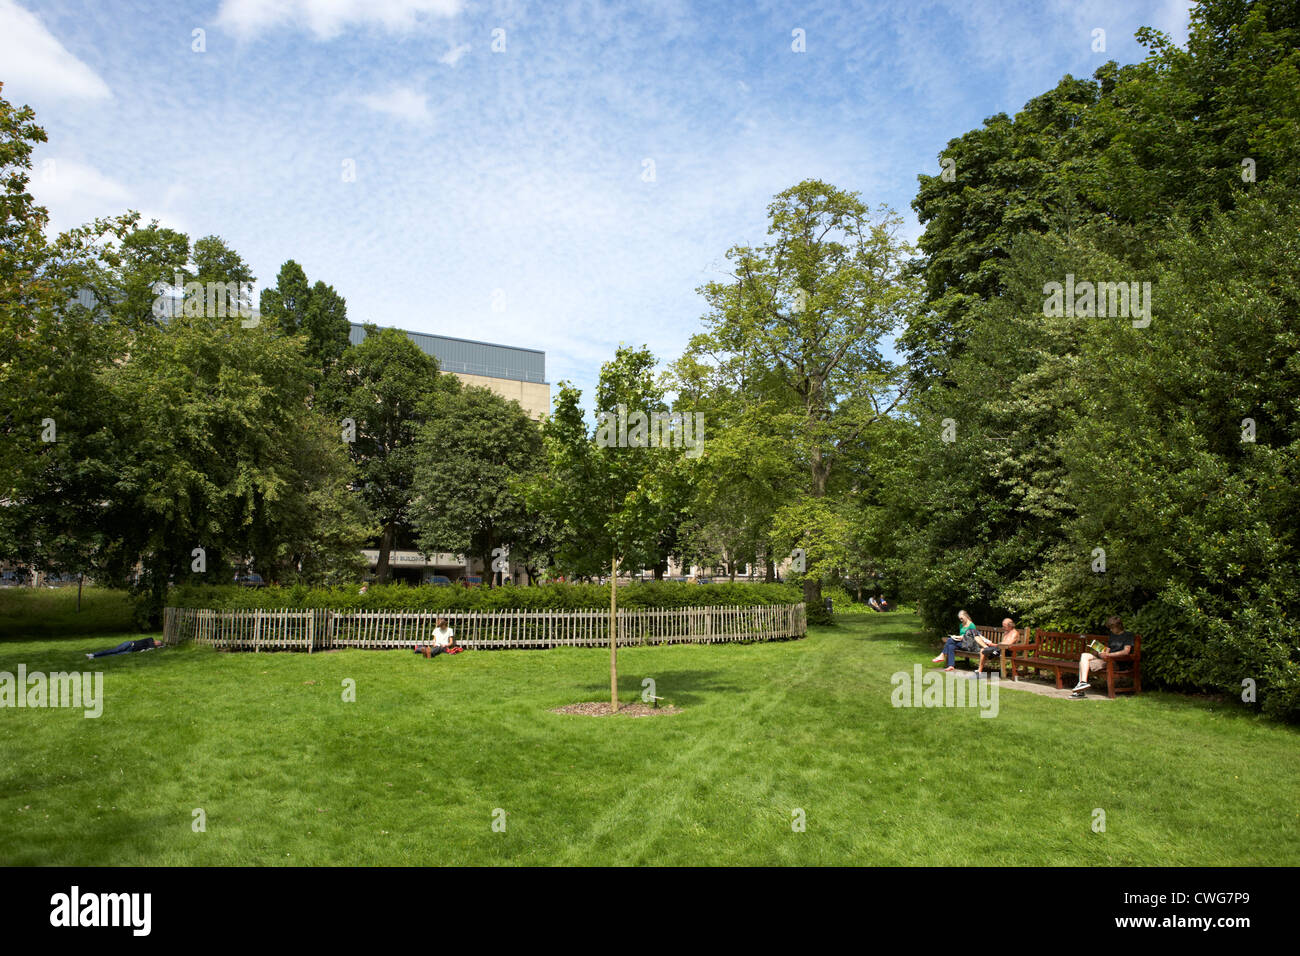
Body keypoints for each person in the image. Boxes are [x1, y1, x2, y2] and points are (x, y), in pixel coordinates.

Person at [1071, 615, 1134, 697]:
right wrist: (1100, 651)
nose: (1111, 630)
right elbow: (1108, 649)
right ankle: (1083, 683)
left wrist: (1109, 655)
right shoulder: (1112, 635)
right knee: (1084, 656)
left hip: (1116, 662)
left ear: (1119, 626)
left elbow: (1126, 651)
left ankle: (1081, 690)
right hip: (1106, 659)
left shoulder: (1128, 635)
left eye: (1112, 628)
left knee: (1083, 664)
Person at [87, 637, 161, 659]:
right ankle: (93, 654)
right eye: (158, 642)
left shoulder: (150, 647)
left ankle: (94, 657)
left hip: (130, 651)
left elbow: (151, 648)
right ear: (156, 640)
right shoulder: (150, 639)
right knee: (113, 650)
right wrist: (159, 647)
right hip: (129, 644)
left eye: (159, 644)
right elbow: (152, 646)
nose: (158, 643)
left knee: (114, 655)